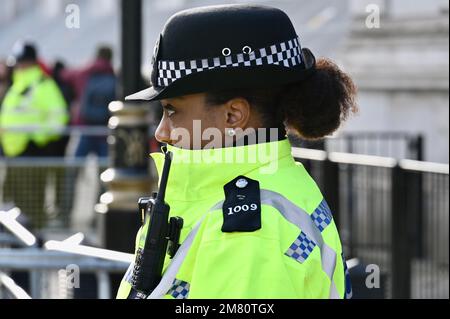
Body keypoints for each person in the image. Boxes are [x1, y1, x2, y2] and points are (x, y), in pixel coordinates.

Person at [117, 4, 358, 299]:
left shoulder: (247, 234)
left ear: (233, 116)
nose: (161, 132)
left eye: (171, 110)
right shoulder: (274, 190)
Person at [0, 41, 69, 157]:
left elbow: (59, 117)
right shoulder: (17, 85)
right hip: (12, 151)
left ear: (31, 63)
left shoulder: (44, 85)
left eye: (22, 62)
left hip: (32, 152)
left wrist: (36, 137)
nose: (19, 66)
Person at [61, 46, 116, 157]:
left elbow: (65, 76)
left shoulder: (86, 72)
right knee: (104, 166)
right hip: (105, 129)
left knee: (76, 164)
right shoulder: (112, 75)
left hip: (86, 126)